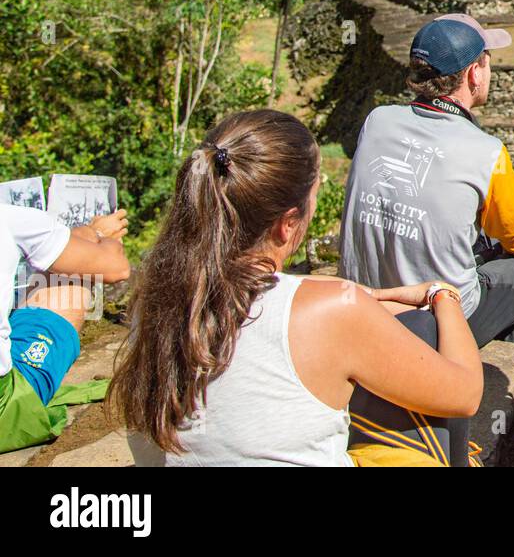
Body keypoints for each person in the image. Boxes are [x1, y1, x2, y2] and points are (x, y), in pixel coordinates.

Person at [113, 109, 483, 466]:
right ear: (288, 224)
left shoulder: (156, 298)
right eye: (315, 189)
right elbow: (466, 394)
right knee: (425, 329)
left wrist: (357, 296)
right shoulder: (336, 314)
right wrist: (442, 295)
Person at [339, 14, 514, 350]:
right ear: (474, 73)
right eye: (487, 65)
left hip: (365, 299)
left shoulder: (377, 121)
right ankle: (478, 363)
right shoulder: (486, 153)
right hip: (436, 316)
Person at [0, 203, 129, 453]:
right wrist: (102, 237)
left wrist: (87, 233)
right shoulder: (9, 217)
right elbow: (116, 268)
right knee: (71, 275)